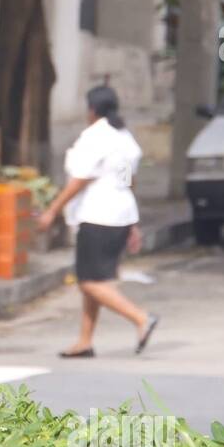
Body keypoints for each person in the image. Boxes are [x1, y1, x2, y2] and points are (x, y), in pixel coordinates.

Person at [37, 85, 160, 357]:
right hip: (120, 215)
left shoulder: (95, 137)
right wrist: (133, 223)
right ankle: (85, 340)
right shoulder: (124, 137)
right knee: (97, 279)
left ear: (91, 110)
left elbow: (80, 180)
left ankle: (141, 318)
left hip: (98, 216)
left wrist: (51, 210)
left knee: (88, 282)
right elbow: (129, 181)